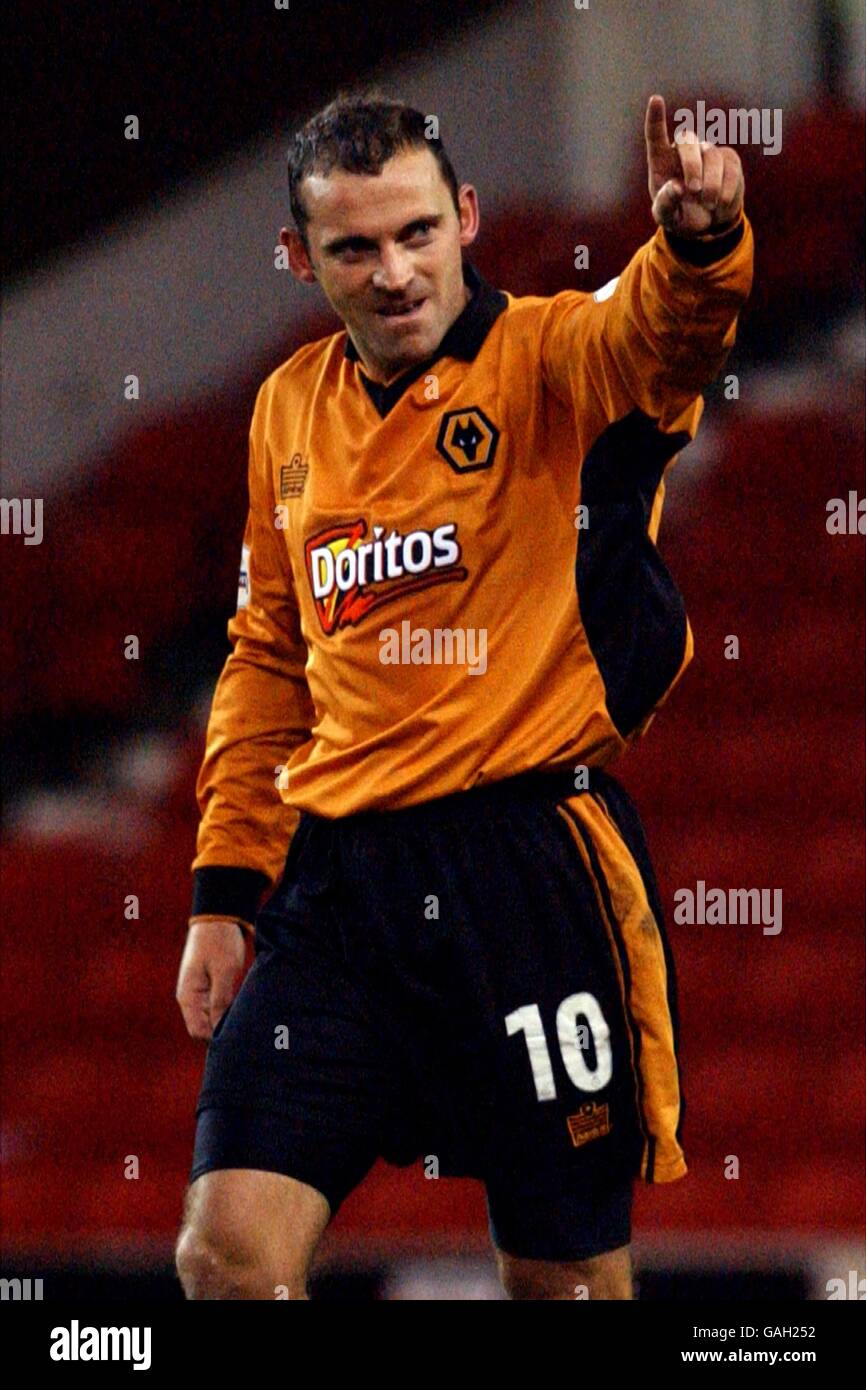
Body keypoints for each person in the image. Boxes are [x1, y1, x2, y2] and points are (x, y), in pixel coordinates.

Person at [174, 89, 753, 1300]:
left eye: (417, 233)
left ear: (466, 218)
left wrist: (697, 243)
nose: (393, 272)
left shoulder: (551, 355)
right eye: (353, 247)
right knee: (226, 1257)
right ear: (300, 256)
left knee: (566, 1287)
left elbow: (665, 333)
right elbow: (268, 654)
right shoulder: (287, 410)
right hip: (338, 890)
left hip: (524, 870)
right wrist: (224, 891)